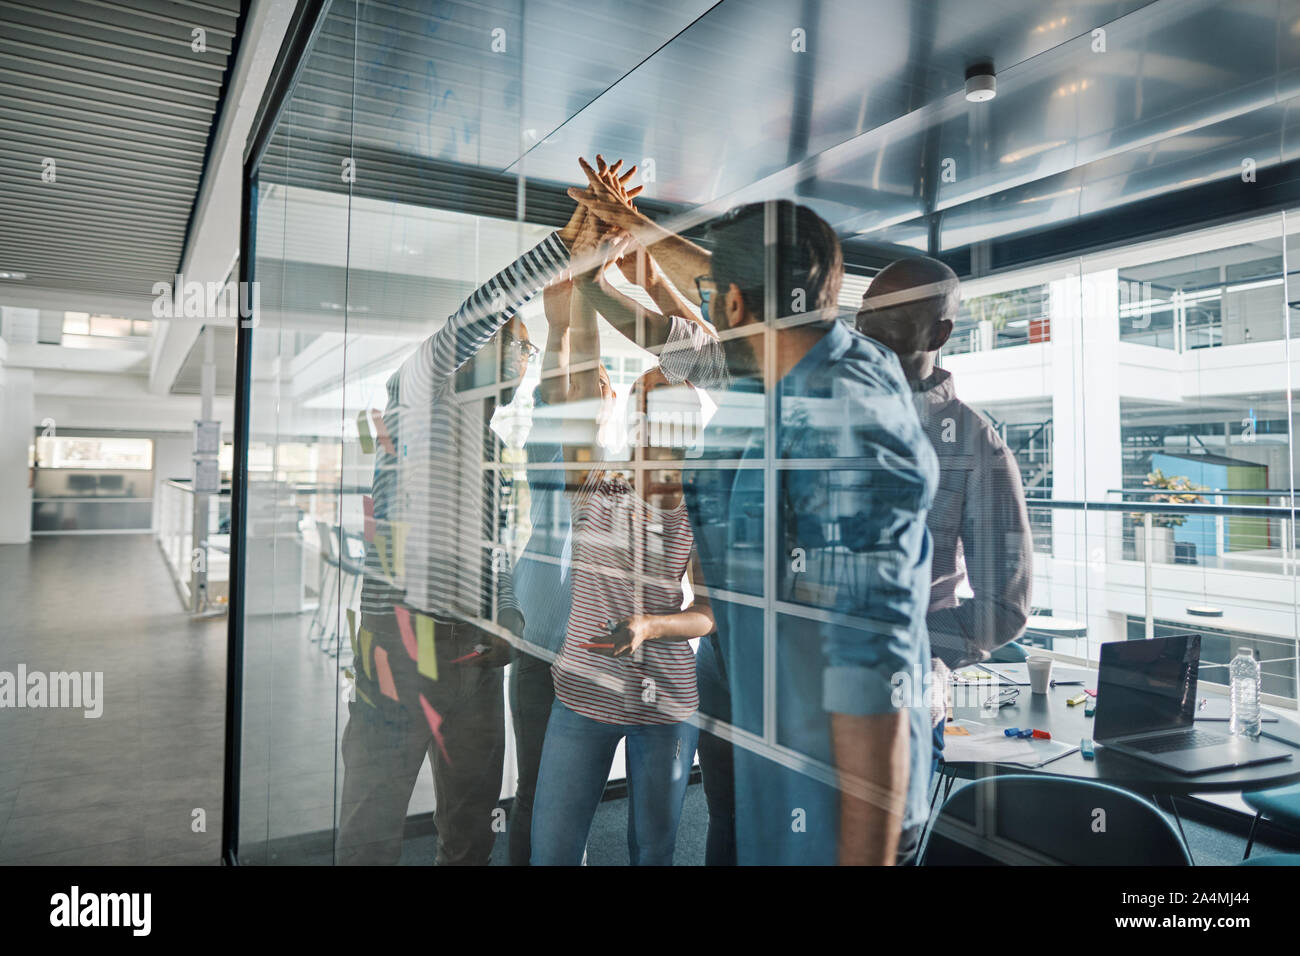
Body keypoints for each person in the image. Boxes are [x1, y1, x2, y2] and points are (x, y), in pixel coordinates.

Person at [573, 172, 937, 865]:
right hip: (775, 751)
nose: (702, 309)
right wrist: (621, 242)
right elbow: (676, 328)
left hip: (842, 803)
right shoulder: (778, 372)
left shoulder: (842, 418)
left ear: (735, 304)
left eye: (713, 301)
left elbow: (874, 671)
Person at [336, 199, 584, 866]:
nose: (526, 363)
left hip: (473, 653)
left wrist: (503, 611)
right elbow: (476, 315)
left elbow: (489, 547)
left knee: (473, 822)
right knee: (371, 822)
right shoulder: (419, 395)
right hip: (402, 640)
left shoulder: (492, 442)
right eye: (521, 345)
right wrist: (563, 247)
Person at [528, 207, 714, 866]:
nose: (635, 400)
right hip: (581, 690)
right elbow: (577, 367)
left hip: (666, 697)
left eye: (648, 395)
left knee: (652, 852)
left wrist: (650, 628)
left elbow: (709, 613)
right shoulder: (596, 478)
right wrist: (590, 263)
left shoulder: (703, 504)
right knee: (551, 852)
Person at [855, 257, 1033, 672]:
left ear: (939, 333)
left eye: (895, 311)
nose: (867, 326)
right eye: (866, 309)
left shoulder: (977, 448)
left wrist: (892, 646)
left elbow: (1002, 610)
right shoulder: (823, 406)